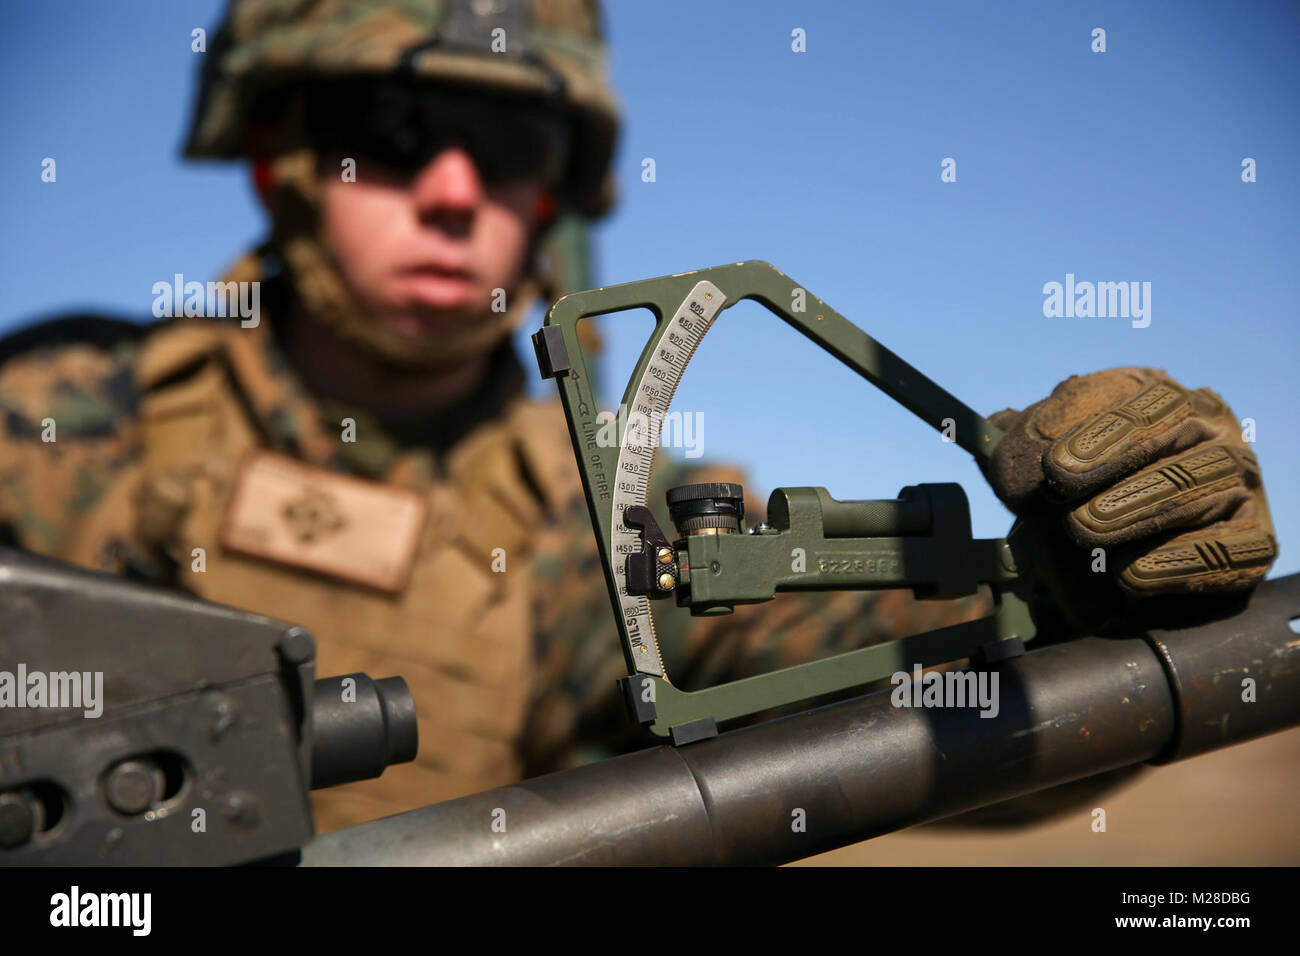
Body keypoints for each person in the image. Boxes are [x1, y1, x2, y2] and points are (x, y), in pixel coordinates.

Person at [0, 0, 1277, 835]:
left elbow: (870, 676)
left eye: (502, 143)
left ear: (556, 193)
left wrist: (1074, 600)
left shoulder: (605, 518)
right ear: (281, 155)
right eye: (389, 133)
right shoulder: (51, 423)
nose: (452, 190)